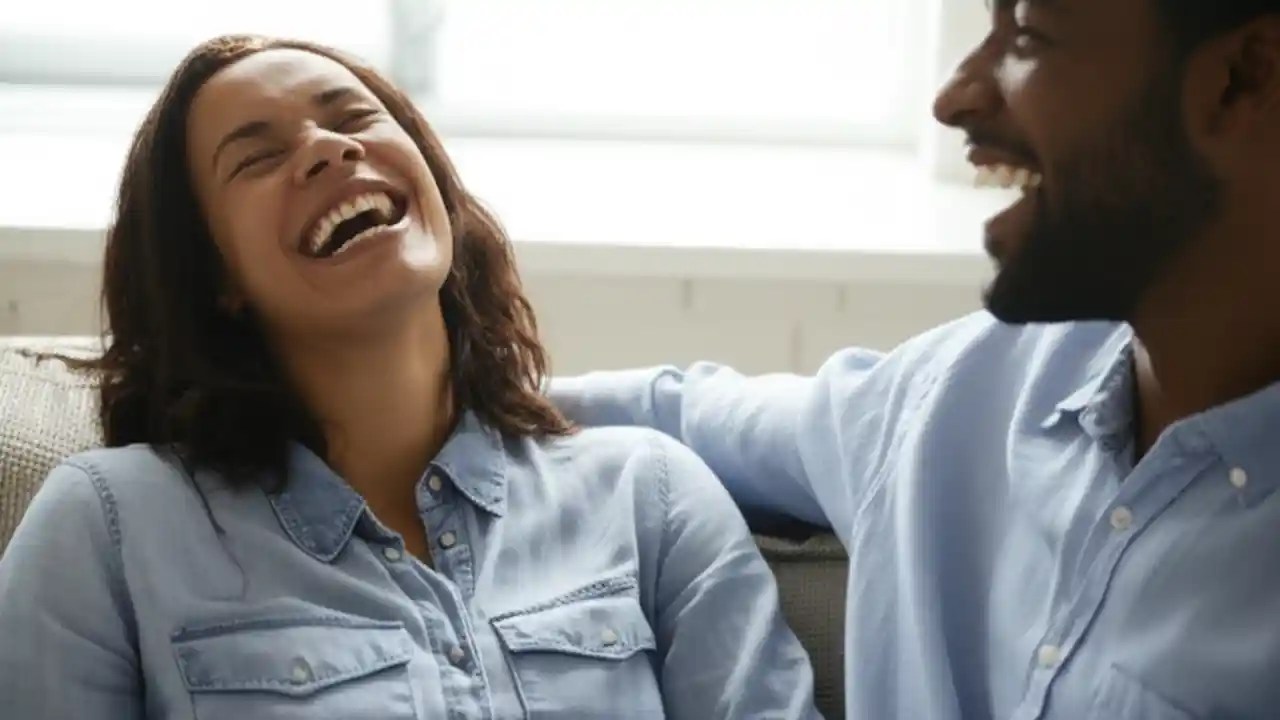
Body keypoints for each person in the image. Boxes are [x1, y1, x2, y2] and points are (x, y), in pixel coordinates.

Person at [0, 35, 819, 719]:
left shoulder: (650, 493)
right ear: (215, 276)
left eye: (353, 117)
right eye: (258, 157)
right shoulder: (109, 527)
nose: (329, 147)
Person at [551, 1, 1280, 718]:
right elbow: (682, 411)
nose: (954, 97)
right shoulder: (966, 390)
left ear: (1242, 77)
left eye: (1027, 35)